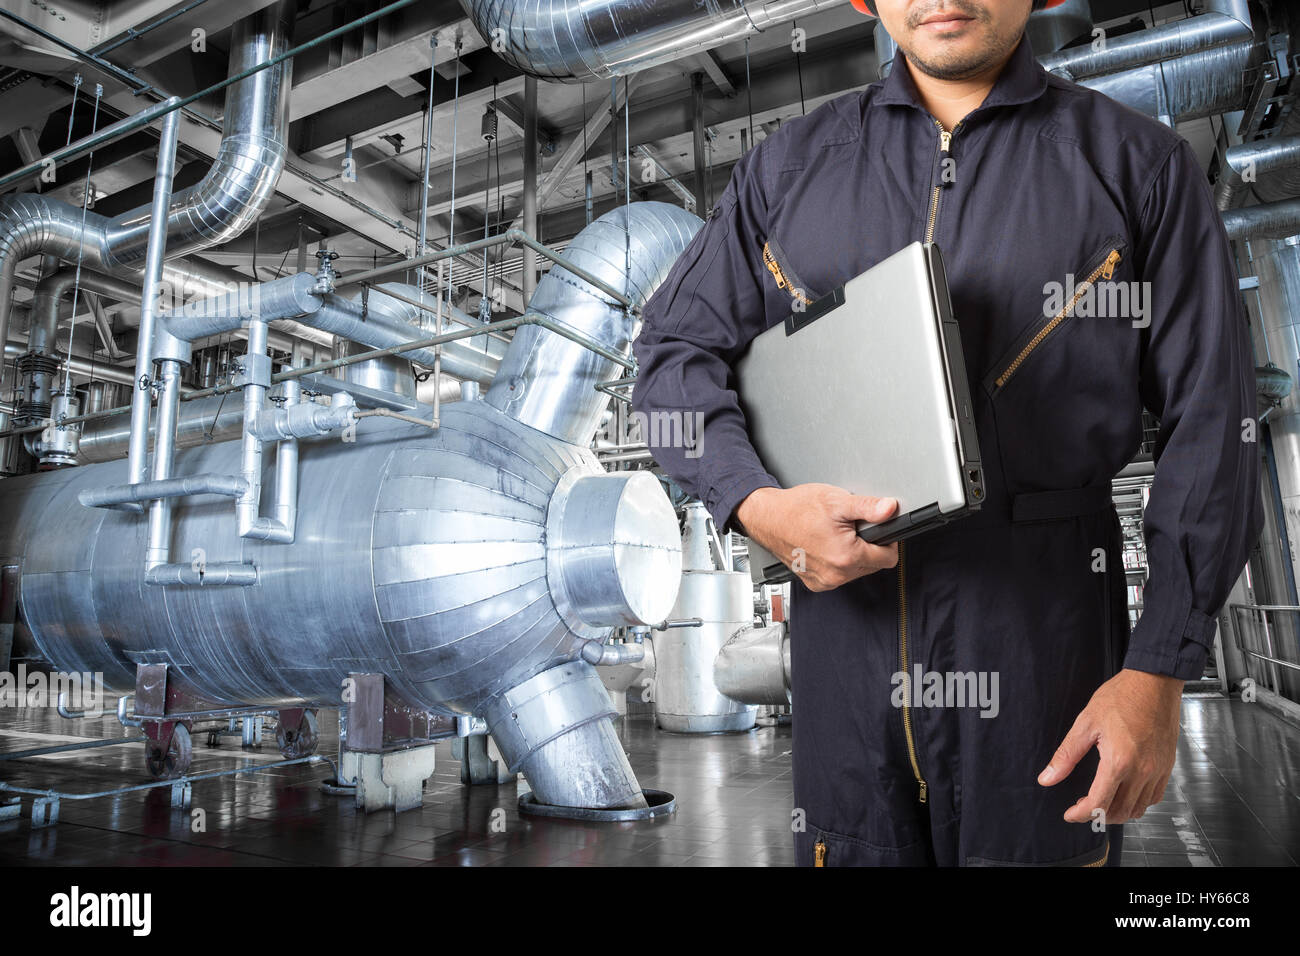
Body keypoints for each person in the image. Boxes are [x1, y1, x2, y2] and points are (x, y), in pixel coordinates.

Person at [631, 0, 1263, 866]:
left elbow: (1214, 420)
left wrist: (1159, 668)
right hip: (843, 660)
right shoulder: (786, 171)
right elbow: (672, 350)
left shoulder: (1137, 167)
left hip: (1045, 644)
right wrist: (753, 503)